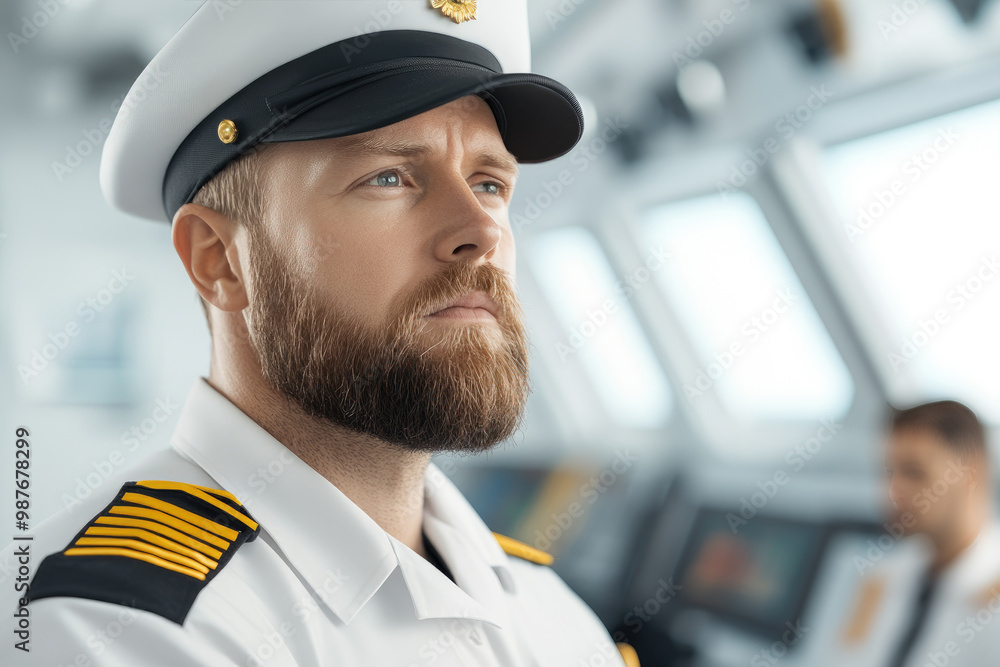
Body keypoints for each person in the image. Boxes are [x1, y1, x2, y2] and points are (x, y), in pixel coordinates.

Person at [6, 2, 637, 665]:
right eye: (388, 178)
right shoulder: (108, 629)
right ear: (219, 260)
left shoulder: (555, 612)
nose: (482, 229)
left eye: (489, 184)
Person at [822, 400, 1000, 667]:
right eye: (889, 473)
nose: (893, 493)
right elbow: (844, 657)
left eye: (914, 473)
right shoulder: (878, 579)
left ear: (971, 473)